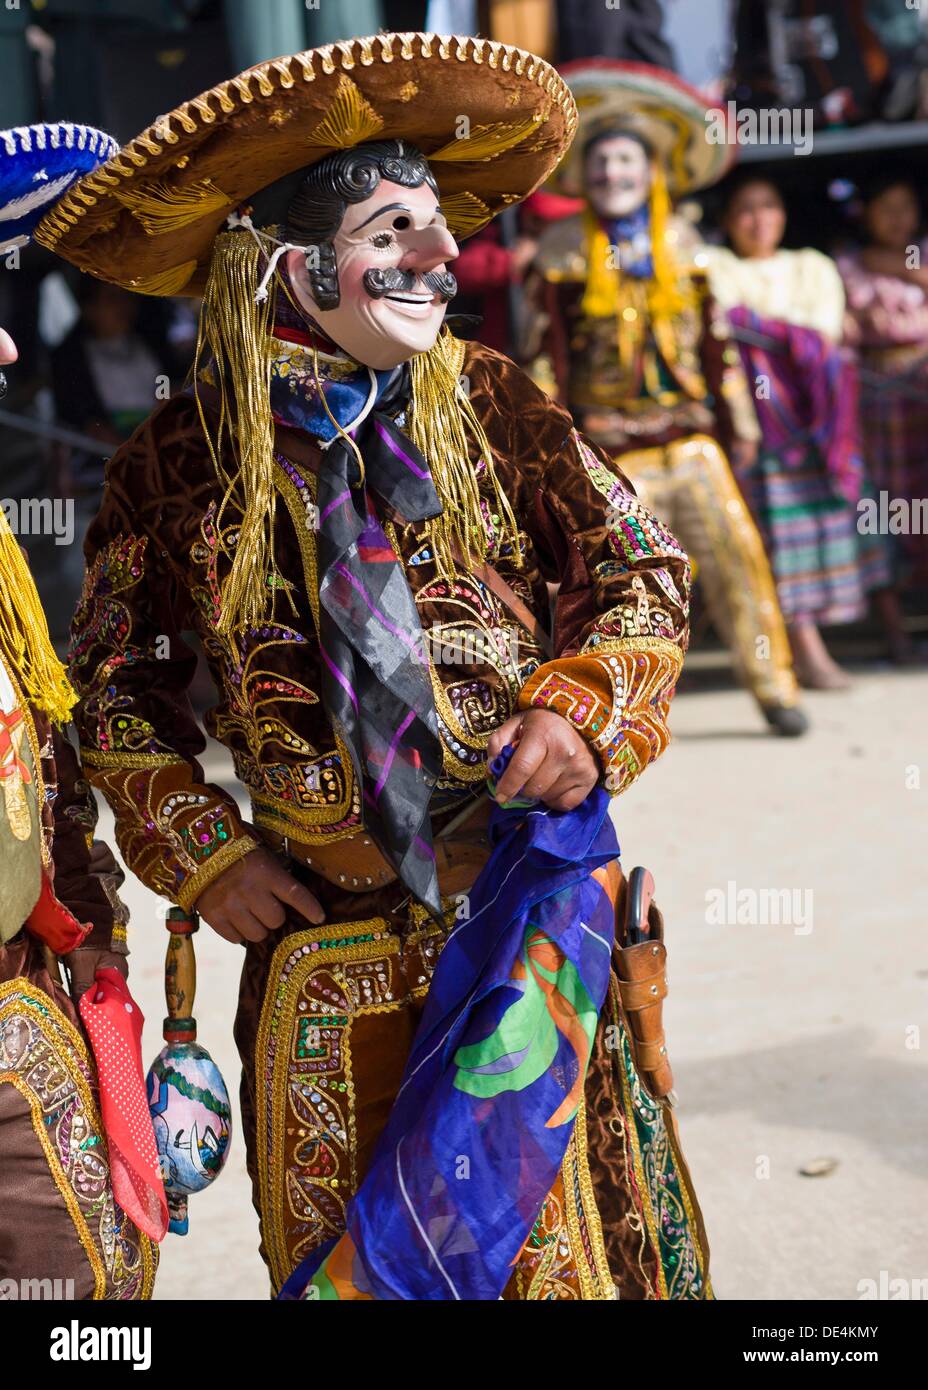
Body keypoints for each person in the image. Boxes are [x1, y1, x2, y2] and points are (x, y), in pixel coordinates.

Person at [42, 33, 711, 1299]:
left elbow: (643, 570)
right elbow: (120, 696)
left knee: (559, 1267)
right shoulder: (178, 462)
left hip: (522, 907)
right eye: (395, 229)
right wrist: (209, 851)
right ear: (289, 267)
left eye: (437, 225)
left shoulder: (495, 402)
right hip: (328, 952)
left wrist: (581, 712)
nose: (441, 256)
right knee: (361, 1271)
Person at [526, 60, 807, 737]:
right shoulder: (562, 254)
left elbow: (720, 348)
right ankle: (611, 711)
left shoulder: (689, 247)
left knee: (740, 553)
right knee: (617, 585)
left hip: (690, 439)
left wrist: (739, 421)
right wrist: (549, 447)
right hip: (612, 450)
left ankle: (775, 688)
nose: (612, 175)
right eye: (599, 164)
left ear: (652, 171)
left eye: (625, 161)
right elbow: (546, 357)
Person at [0, 123, 161, 1299]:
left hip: (22, 993)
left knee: (87, 1295)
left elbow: (36, 757)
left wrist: (89, 919)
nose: (7, 347)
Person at [705, 175, 900, 687]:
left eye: (768, 206)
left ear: (783, 215)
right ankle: (808, 653)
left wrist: (764, 329)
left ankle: (894, 632)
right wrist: (784, 336)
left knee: (853, 526)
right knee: (784, 542)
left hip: (824, 424)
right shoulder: (716, 267)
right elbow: (725, 327)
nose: (758, 219)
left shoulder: (812, 265)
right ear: (728, 222)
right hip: (766, 428)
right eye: (745, 210)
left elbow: (824, 334)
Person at [839, 178, 928, 596]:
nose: (897, 219)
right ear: (866, 213)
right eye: (885, 207)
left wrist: (905, 270)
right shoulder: (848, 266)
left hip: (923, 391)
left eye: (905, 206)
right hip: (876, 399)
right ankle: (894, 609)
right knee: (888, 496)